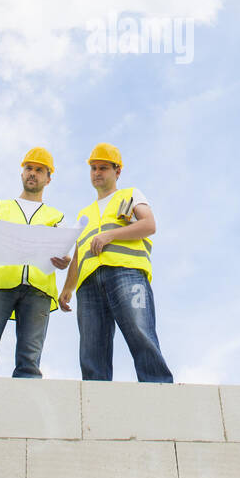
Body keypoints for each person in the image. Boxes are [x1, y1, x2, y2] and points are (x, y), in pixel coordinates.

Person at [58, 144, 172, 382]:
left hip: (126, 274)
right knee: (91, 350)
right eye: (93, 168)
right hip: (88, 285)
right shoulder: (84, 214)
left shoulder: (130, 195)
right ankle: (94, 399)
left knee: (141, 333)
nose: (97, 173)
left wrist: (110, 235)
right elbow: (79, 252)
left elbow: (149, 225)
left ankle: (159, 389)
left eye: (103, 168)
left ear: (117, 171)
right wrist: (68, 287)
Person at [0, 148, 70, 378]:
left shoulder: (56, 217)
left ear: (48, 178)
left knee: (30, 360)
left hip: (38, 290)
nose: (32, 173)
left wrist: (64, 261)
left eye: (39, 170)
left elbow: (65, 253)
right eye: (29, 168)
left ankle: (25, 400)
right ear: (22, 173)